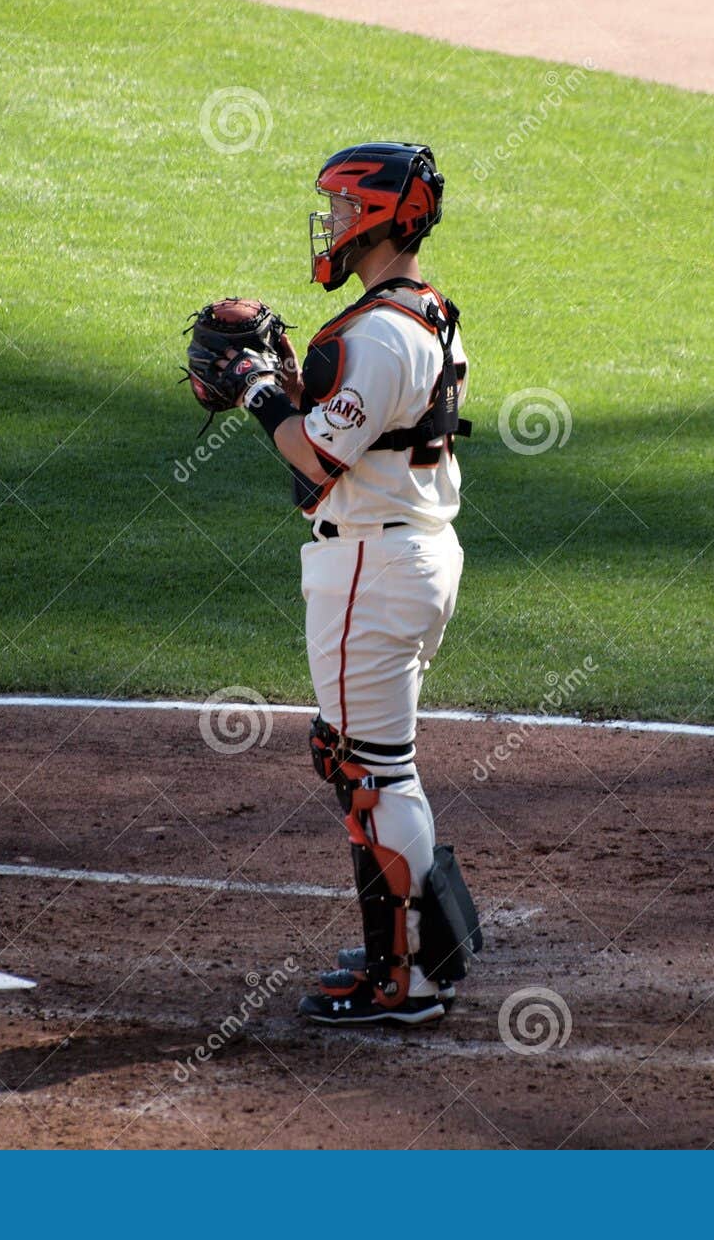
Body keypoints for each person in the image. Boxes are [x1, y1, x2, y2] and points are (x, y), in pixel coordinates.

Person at [238, 142, 470, 1025]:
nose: (330, 225)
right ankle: (412, 945)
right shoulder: (427, 312)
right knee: (365, 760)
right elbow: (355, 435)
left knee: (367, 769)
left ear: (376, 217)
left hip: (374, 561)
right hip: (403, 551)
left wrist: (260, 392)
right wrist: (294, 387)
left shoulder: (376, 334)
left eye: (340, 210)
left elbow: (316, 456)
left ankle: (402, 978)